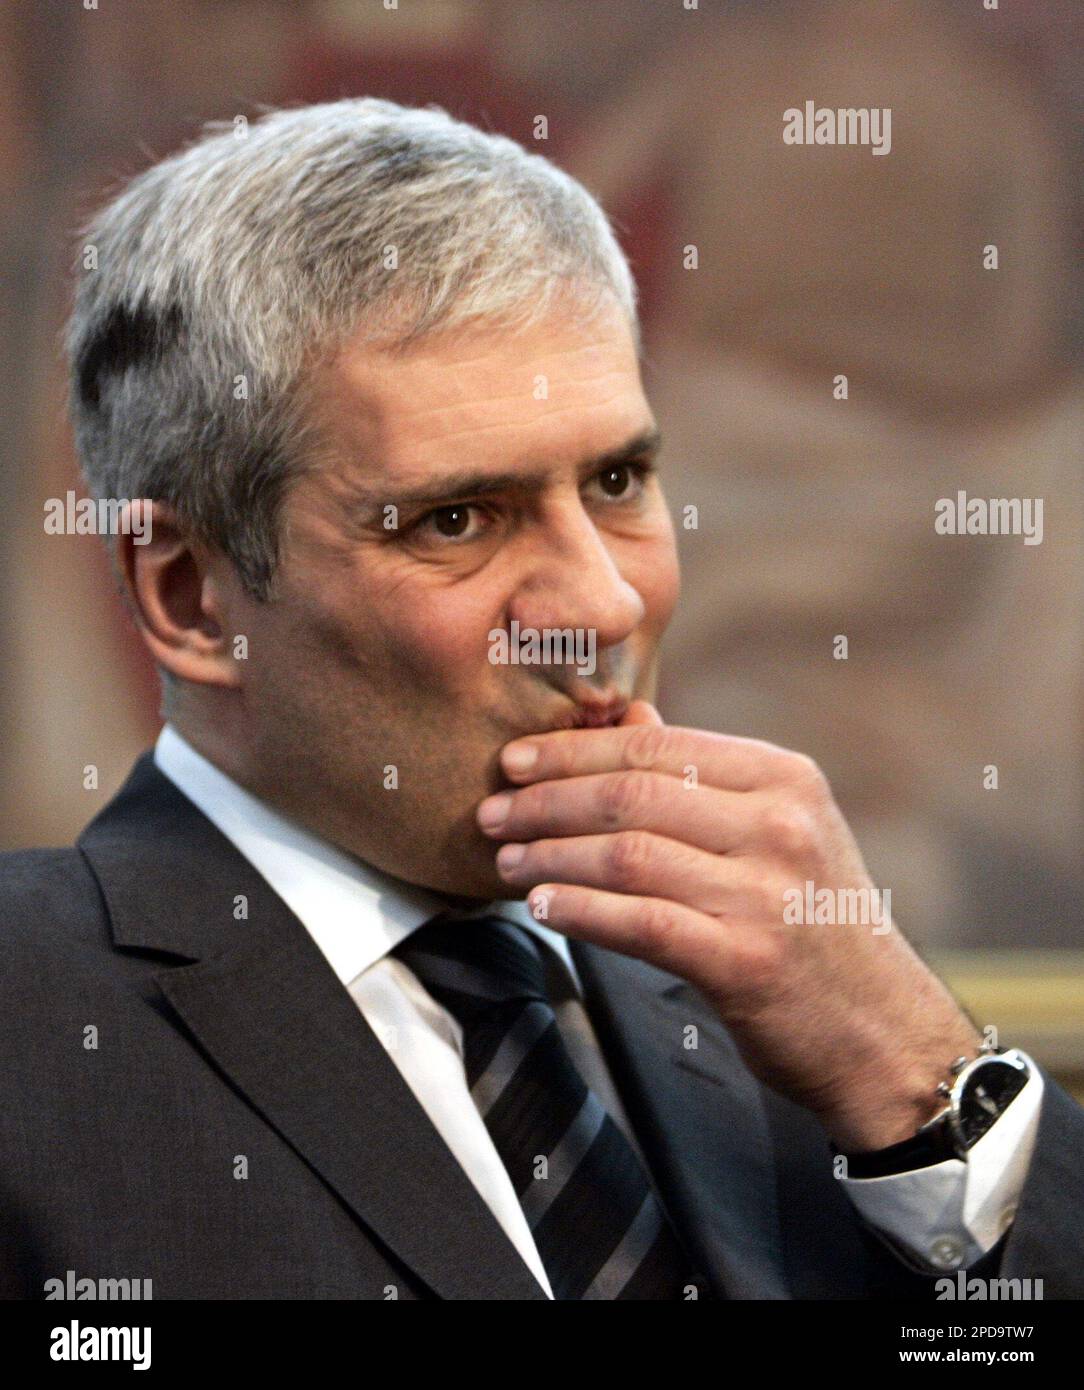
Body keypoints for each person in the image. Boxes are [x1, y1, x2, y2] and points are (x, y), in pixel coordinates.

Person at [2, 99, 1080, 1300]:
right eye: (458, 518)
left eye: (618, 480)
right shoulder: (31, 1025)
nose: (605, 602)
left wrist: (918, 1076)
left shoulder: (791, 1008)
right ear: (194, 596)